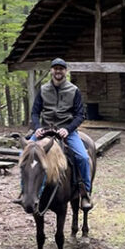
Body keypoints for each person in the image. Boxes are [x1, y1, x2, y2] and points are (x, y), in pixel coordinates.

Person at [26, 58, 92, 210]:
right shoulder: (43, 90)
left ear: (65, 71)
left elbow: (80, 115)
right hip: (44, 129)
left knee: (82, 157)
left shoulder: (73, 90)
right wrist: (37, 127)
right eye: (55, 68)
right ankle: (25, 192)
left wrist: (68, 129)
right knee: (23, 155)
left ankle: (85, 193)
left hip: (66, 131)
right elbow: (35, 112)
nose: (58, 71)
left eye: (61, 69)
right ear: (51, 71)